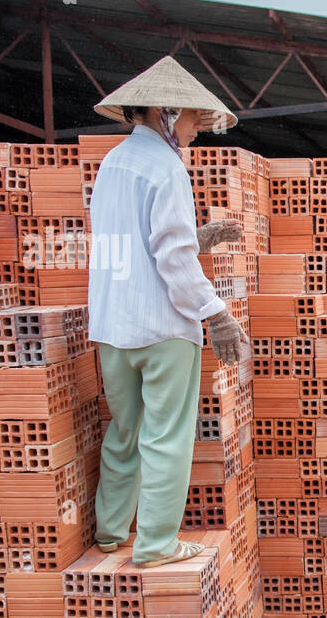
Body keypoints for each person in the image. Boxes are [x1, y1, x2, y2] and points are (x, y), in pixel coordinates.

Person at [87, 56, 250, 569]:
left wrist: (199, 237)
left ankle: (111, 531)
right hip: (162, 329)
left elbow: (130, 245)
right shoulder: (167, 168)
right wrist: (216, 313)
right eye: (194, 122)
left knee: (125, 430)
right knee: (165, 438)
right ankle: (157, 544)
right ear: (168, 111)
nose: (197, 133)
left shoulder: (113, 164)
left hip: (113, 327)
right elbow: (171, 257)